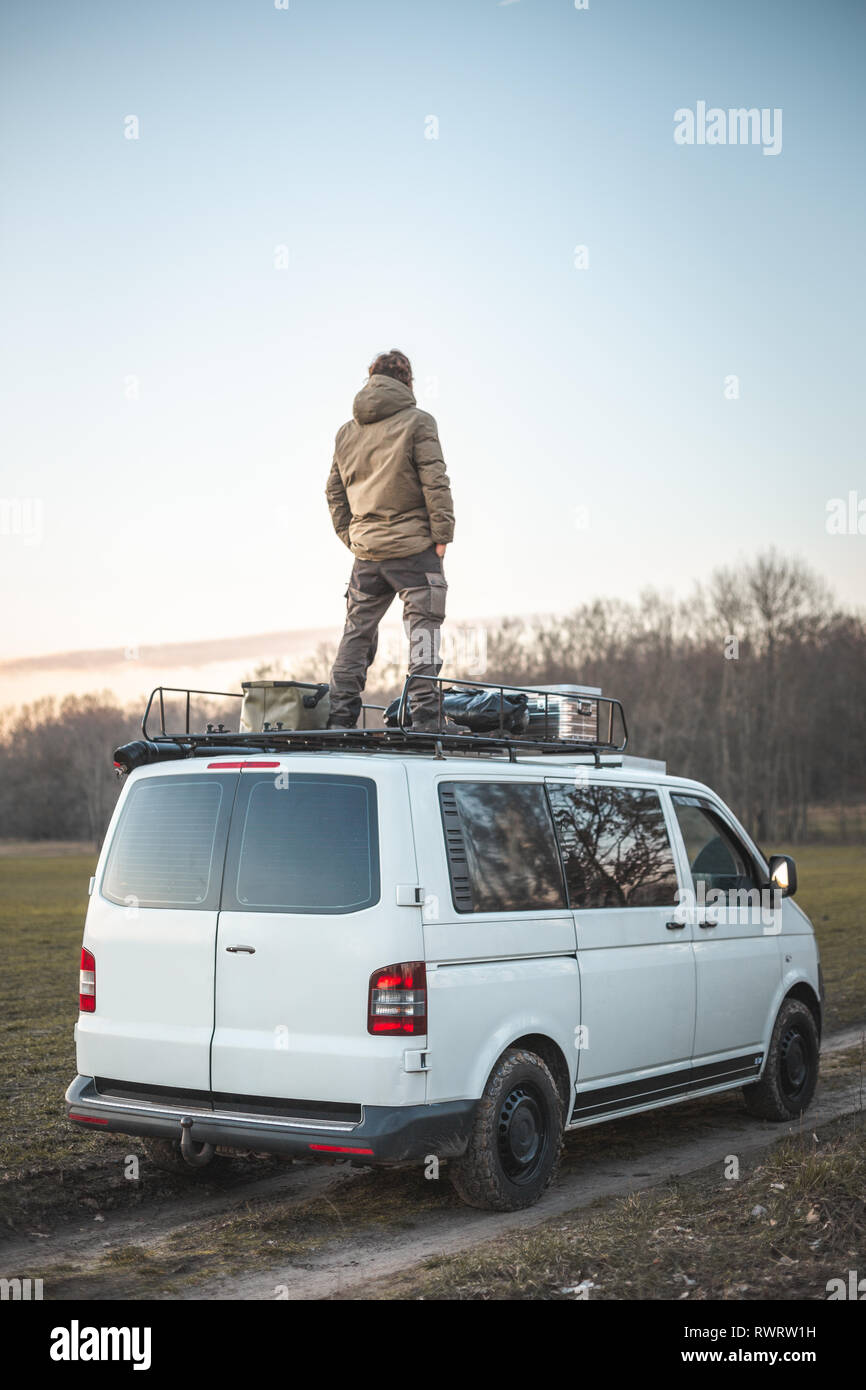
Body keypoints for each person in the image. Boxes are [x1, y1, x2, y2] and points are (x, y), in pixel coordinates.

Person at [325, 349, 455, 731]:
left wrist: (353, 536)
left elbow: (333, 492)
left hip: (366, 554)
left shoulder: (346, 432)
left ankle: (338, 719)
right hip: (415, 549)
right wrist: (442, 534)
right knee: (423, 634)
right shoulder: (419, 422)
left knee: (356, 634)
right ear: (407, 382)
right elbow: (436, 481)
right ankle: (427, 719)